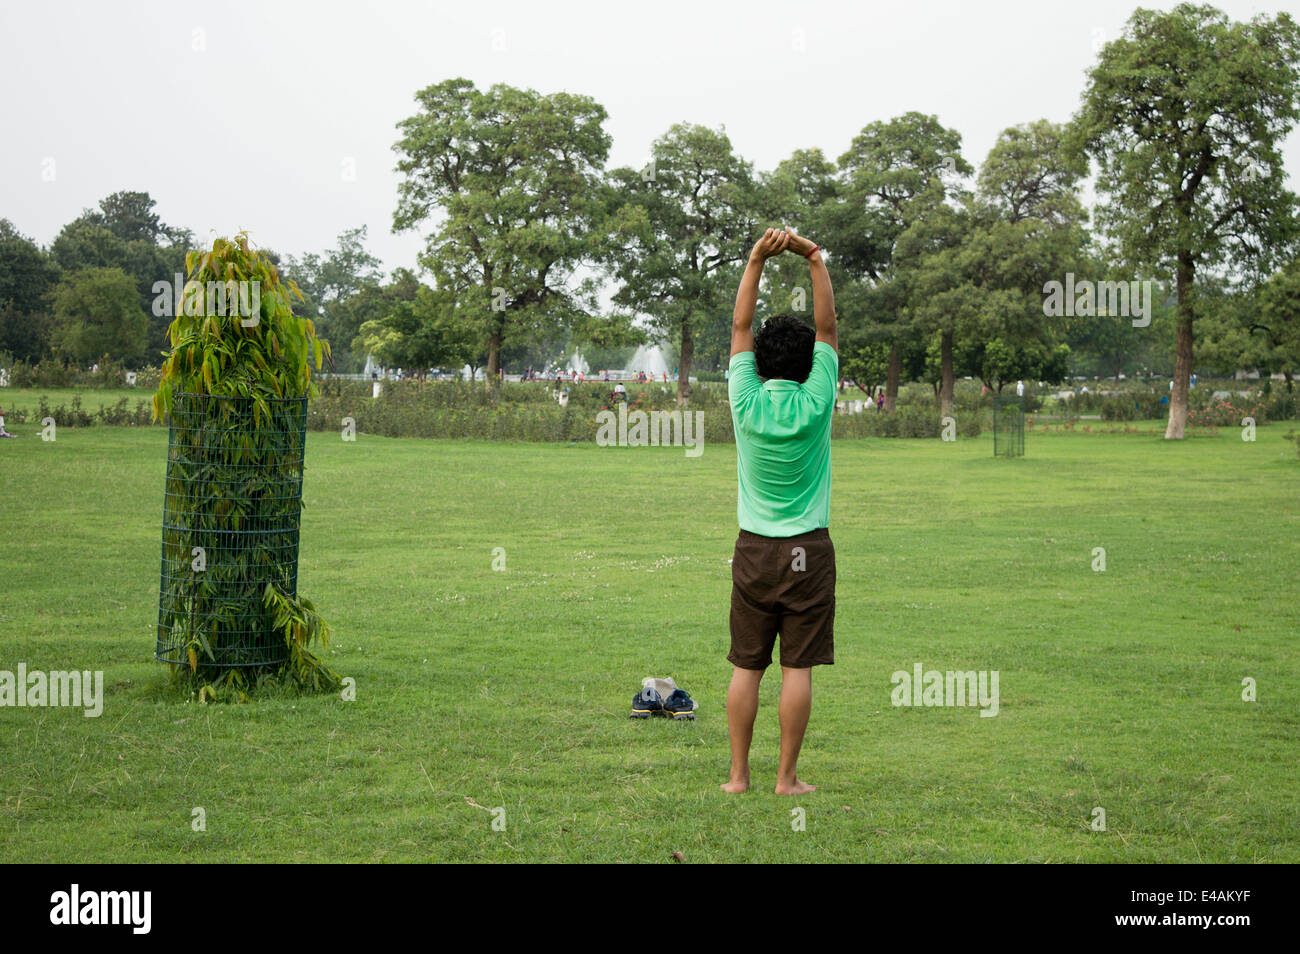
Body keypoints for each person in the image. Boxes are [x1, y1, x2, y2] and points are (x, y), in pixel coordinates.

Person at [723, 227, 837, 797]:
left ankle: (738, 777)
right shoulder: (818, 399)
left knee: (747, 667)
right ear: (808, 361)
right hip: (807, 551)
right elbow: (829, 328)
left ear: (761, 363)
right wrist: (812, 256)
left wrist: (755, 260)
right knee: (798, 669)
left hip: (754, 549)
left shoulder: (744, 400)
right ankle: (785, 779)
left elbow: (741, 326)